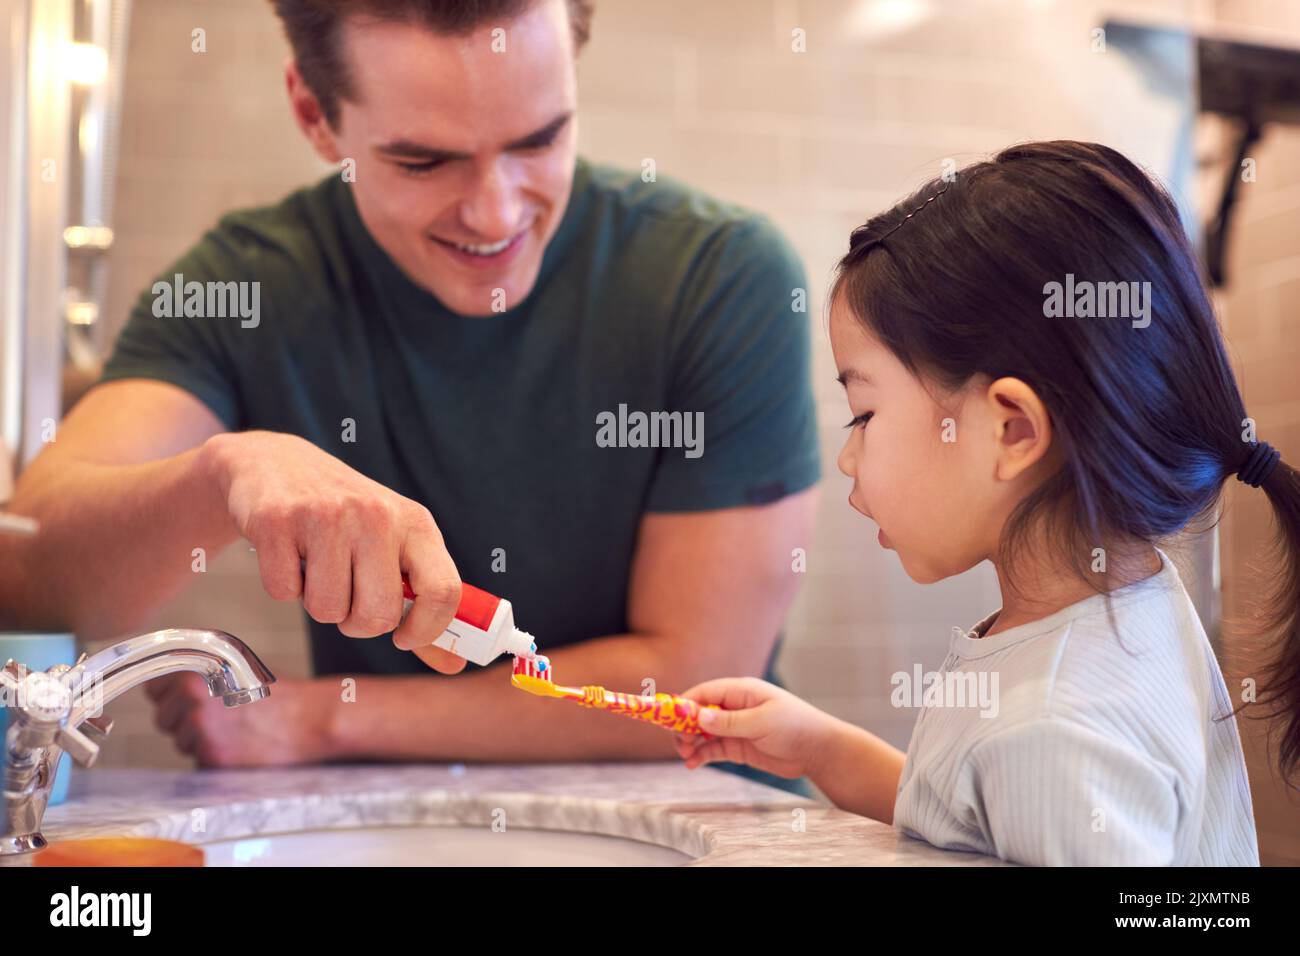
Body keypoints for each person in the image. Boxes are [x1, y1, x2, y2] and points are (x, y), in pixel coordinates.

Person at [1, 0, 820, 792]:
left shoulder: (720, 278)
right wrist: (223, 476)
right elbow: (29, 573)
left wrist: (323, 720)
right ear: (315, 115)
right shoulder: (245, 285)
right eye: (423, 161)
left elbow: (693, 678)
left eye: (541, 139)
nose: (497, 212)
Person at [674, 141, 1295, 864]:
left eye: (863, 415)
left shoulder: (1060, 725)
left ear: (1013, 429)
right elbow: (981, 820)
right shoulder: (1120, 614)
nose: (847, 457)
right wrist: (822, 748)